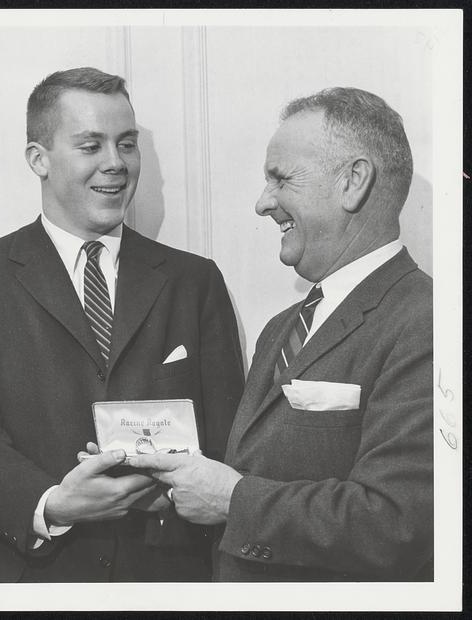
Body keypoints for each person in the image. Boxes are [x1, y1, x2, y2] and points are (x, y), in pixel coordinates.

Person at [0, 67, 244, 582]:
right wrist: (52, 503)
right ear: (38, 159)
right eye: (91, 145)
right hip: (30, 578)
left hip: (166, 576)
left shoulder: (194, 280)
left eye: (127, 144)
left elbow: (230, 432)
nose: (115, 164)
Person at [128, 87, 433, 581]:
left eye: (281, 179)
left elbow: (398, 521)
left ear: (353, 182)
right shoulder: (281, 329)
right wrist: (174, 486)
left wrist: (230, 498)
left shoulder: (428, 322)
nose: (262, 203)